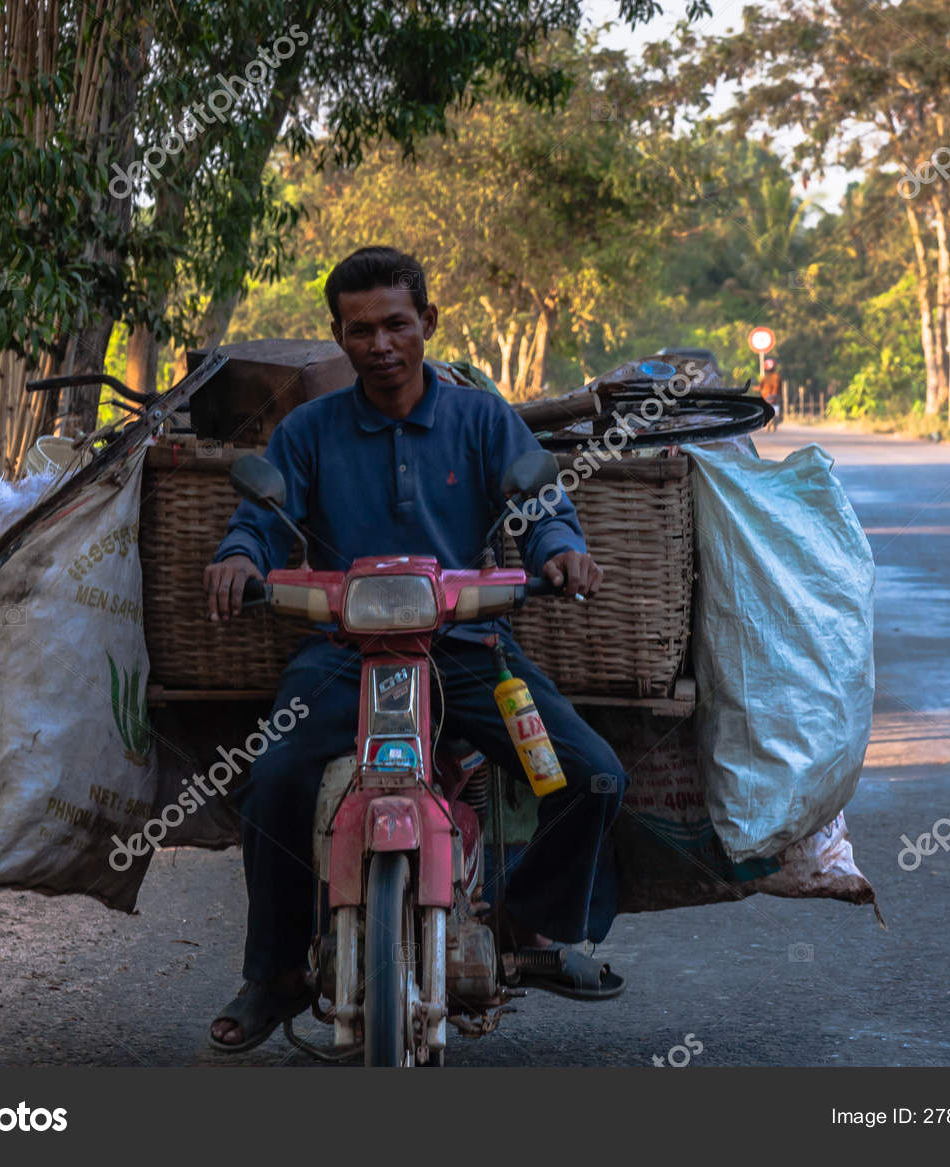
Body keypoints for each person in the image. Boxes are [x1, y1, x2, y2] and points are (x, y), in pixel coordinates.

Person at [200, 246, 630, 1053]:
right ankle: (275, 973)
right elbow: (261, 515)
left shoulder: (479, 417)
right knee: (276, 776)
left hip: (468, 649)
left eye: (397, 323)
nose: (381, 344)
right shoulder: (310, 431)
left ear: (427, 322)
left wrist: (560, 548)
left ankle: (526, 929)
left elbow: (540, 501)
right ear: (339, 336)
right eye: (359, 330)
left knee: (594, 775)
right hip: (341, 652)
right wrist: (239, 557)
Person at [758, 357, 783, 431]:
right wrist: (779, 396)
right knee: (776, 410)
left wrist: (754, 388)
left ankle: (768, 422)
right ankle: (773, 422)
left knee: (765, 410)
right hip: (775, 397)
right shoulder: (778, 377)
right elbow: (780, 388)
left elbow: (760, 387)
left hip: (766, 397)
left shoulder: (764, 377)